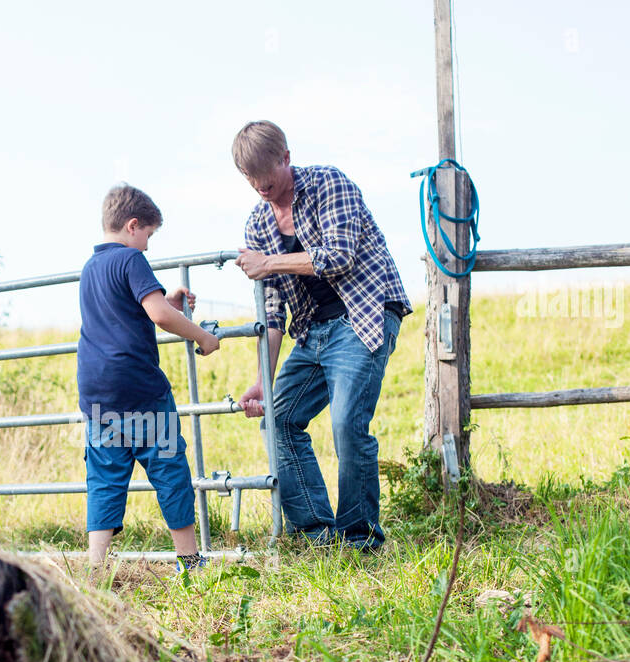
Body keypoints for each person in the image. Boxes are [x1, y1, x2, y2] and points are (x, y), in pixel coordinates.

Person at [232, 121, 412, 551]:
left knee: (348, 424)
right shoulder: (258, 224)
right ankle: (318, 534)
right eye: (251, 181)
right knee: (279, 419)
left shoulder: (330, 183)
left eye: (267, 177)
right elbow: (273, 312)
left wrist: (270, 263)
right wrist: (263, 378)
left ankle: (360, 540)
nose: (262, 187)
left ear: (286, 158)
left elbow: (337, 256)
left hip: (362, 313)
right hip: (312, 331)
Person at [77, 184, 220, 571]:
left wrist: (164, 299)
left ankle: (95, 569)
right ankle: (190, 561)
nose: (148, 247)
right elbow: (157, 315)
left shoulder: (91, 269)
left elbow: (127, 311)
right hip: (138, 389)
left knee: (105, 477)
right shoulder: (130, 259)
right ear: (133, 225)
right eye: (149, 236)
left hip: (97, 394)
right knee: (169, 467)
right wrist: (202, 335)